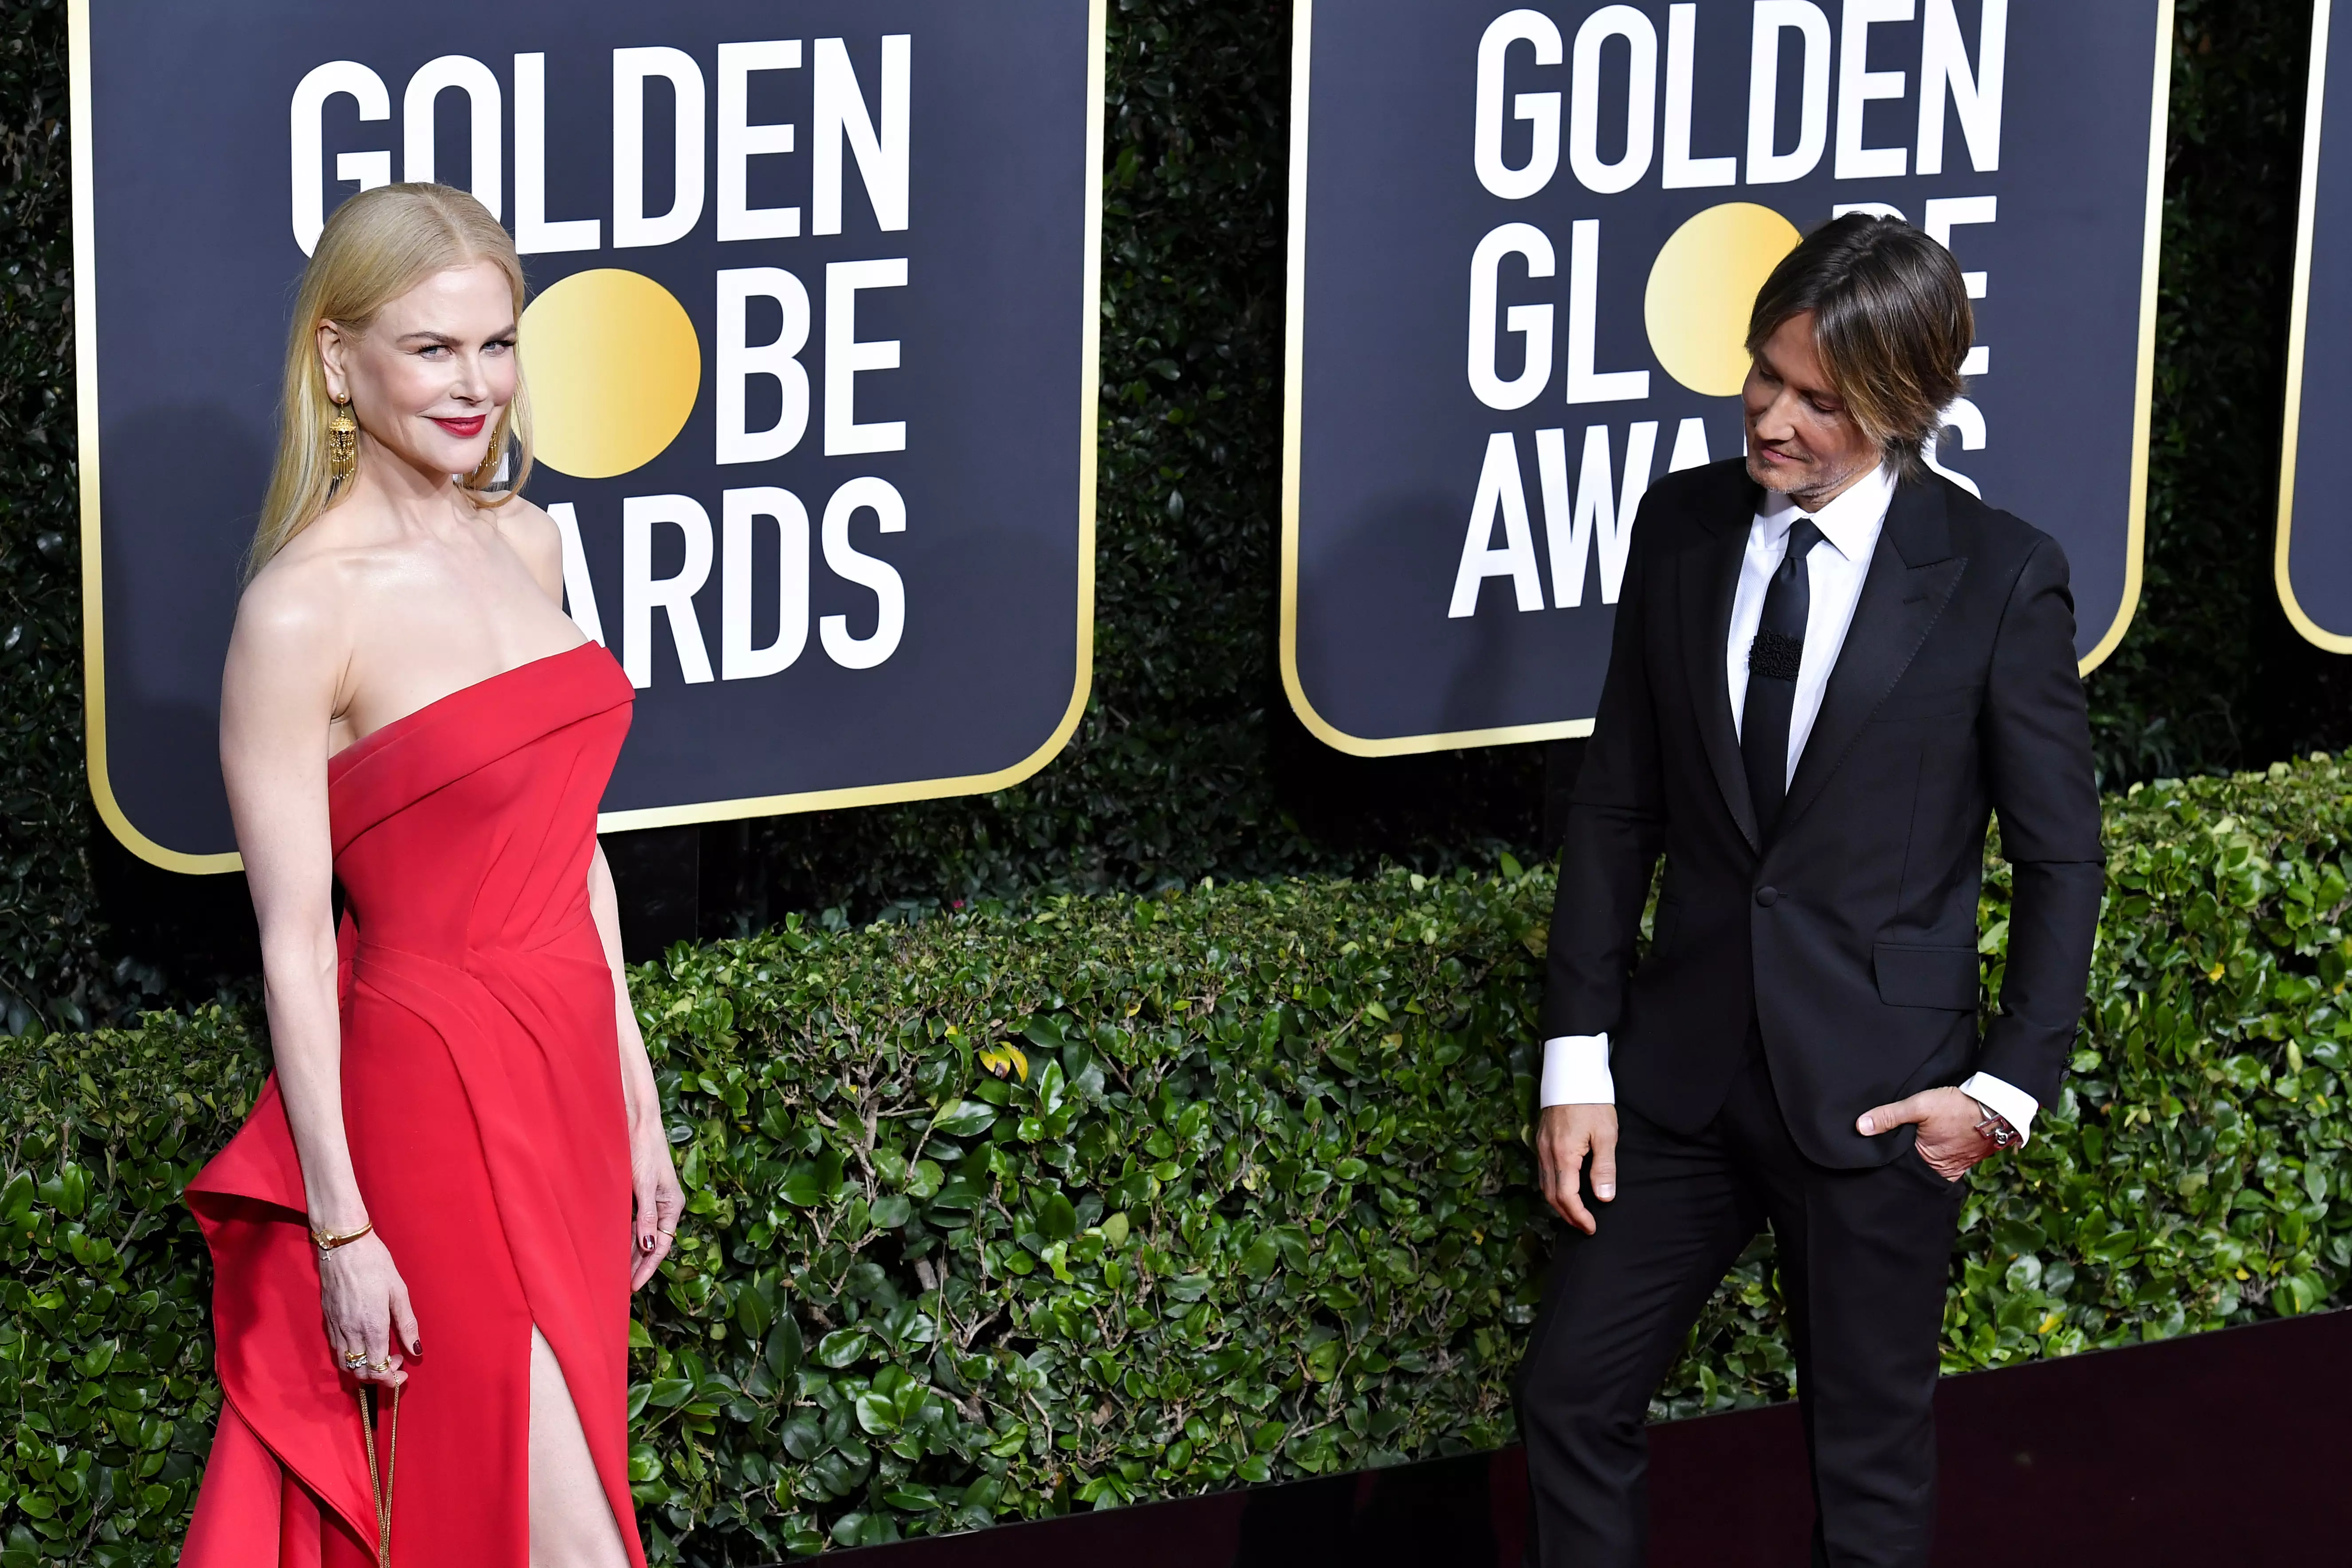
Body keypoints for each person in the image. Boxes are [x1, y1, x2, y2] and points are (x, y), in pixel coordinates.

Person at [1515, 213, 2103, 1568]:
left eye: (1816, 400)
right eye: (1760, 373)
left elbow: (2061, 855)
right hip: (1675, 1078)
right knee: (1570, 1391)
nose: (1769, 418)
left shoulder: (2000, 578)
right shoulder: (1679, 526)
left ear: (1901, 409)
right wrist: (1575, 1061)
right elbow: (1616, 807)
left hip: (1879, 1099)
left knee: (1866, 1470)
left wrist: (2001, 1093)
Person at [180, 183, 683, 1566]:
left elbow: (572, 845)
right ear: (338, 359)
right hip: (430, 1094)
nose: (478, 386)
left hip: (569, 1069)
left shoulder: (532, 538)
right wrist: (341, 1232)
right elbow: (291, 942)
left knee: (549, 1491)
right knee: (552, 1524)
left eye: (498, 344)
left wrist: (636, 1098)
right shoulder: (301, 610)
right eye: (433, 348)